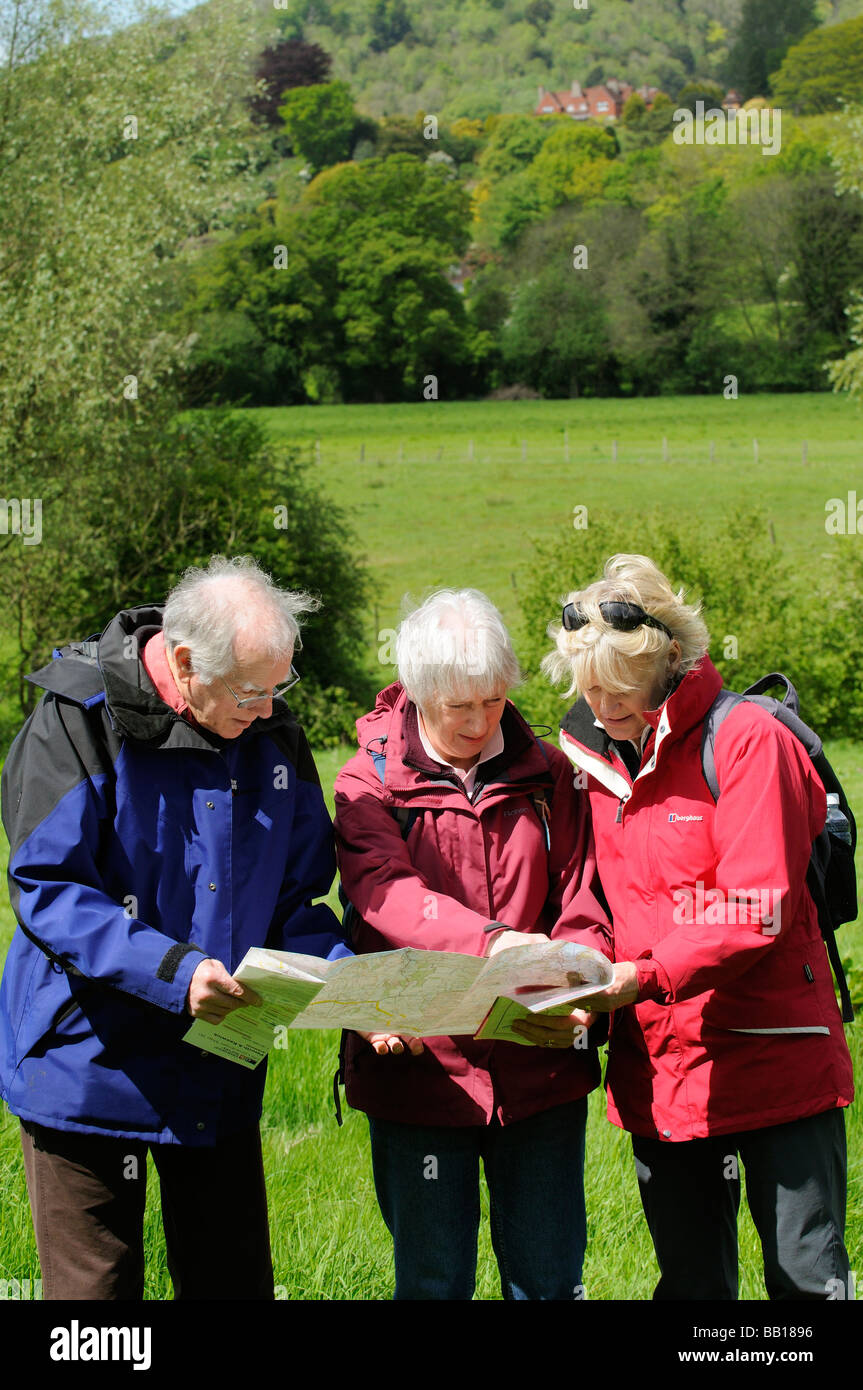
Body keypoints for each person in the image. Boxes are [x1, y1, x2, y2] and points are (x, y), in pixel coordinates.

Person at [0, 554, 350, 1300]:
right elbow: (50, 888)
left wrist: (350, 981)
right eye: (251, 690)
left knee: (231, 1282)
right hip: (86, 1062)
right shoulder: (75, 719)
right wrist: (176, 971)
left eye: (278, 686)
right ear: (184, 663)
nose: (268, 708)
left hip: (218, 1061)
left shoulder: (272, 736)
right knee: (97, 1301)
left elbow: (295, 899)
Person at [543, 552, 854, 1301]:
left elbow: (755, 906)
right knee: (688, 1286)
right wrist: (582, 968)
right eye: (588, 690)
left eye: (618, 689)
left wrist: (640, 977)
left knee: (805, 1283)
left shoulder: (748, 741)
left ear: (670, 661)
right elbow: (591, 893)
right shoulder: (590, 759)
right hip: (661, 1068)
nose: (603, 708)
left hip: (774, 1056)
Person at [333, 588, 611, 1301]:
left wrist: (575, 976)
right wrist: (496, 944)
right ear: (418, 693)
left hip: (538, 1068)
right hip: (421, 1069)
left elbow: (582, 892)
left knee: (549, 1281)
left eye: (491, 701)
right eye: (457, 706)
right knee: (432, 1282)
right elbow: (384, 892)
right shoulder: (369, 781)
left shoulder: (551, 775)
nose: (478, 720)